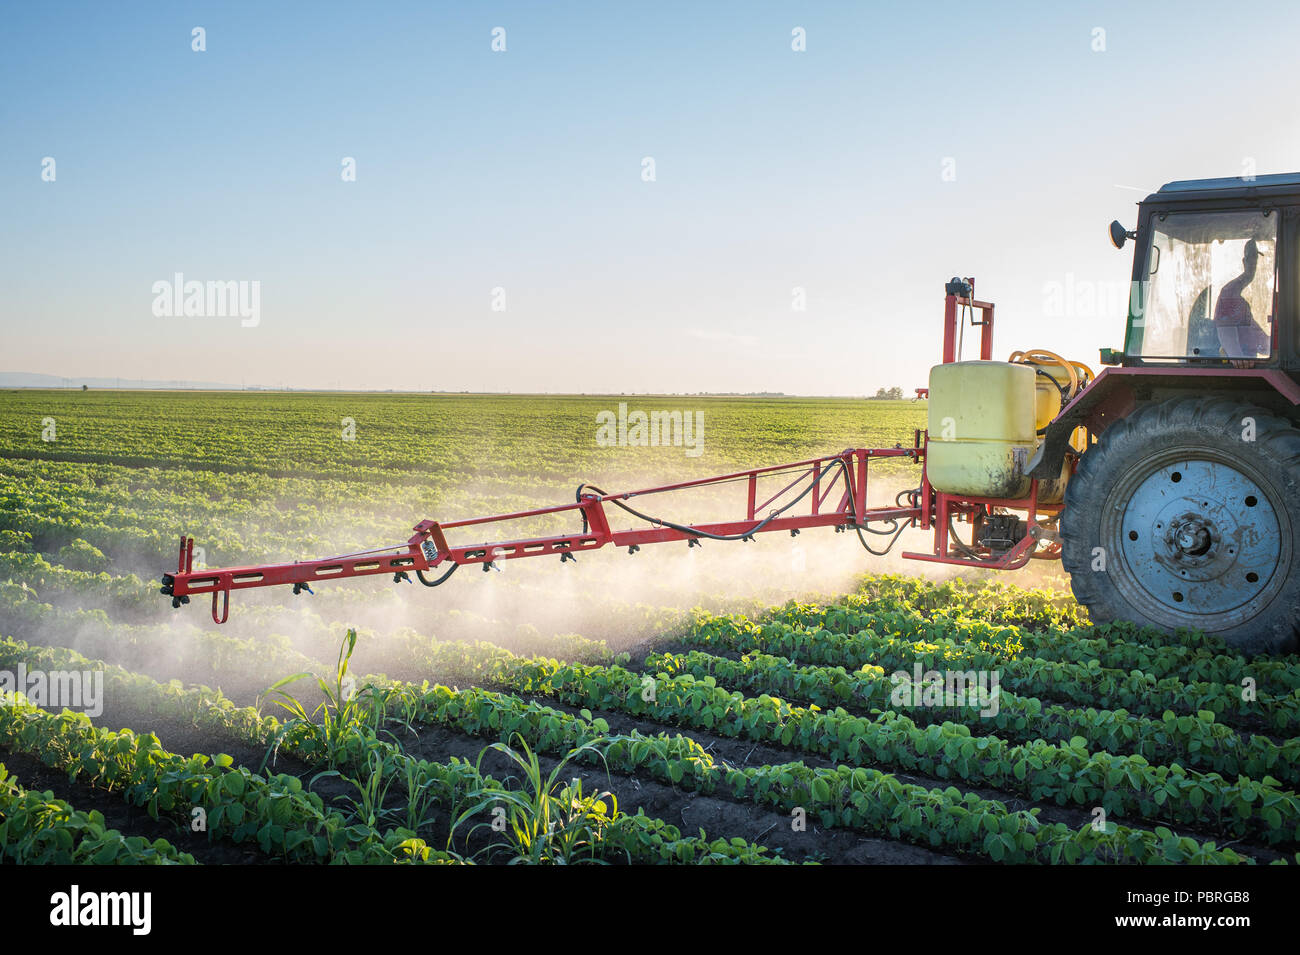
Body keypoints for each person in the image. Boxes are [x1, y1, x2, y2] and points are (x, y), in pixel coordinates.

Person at [1213, 239, 1271, 366]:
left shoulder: (1241, 303)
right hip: (1241, 366)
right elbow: (1226, 331)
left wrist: (1276, 346)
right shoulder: (1229, 293)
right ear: (1244, 261)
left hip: (1249, 361)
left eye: (1256, 259)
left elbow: (1258, 337)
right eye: (1251, 258)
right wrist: (1238, 358)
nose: (1254, 263)